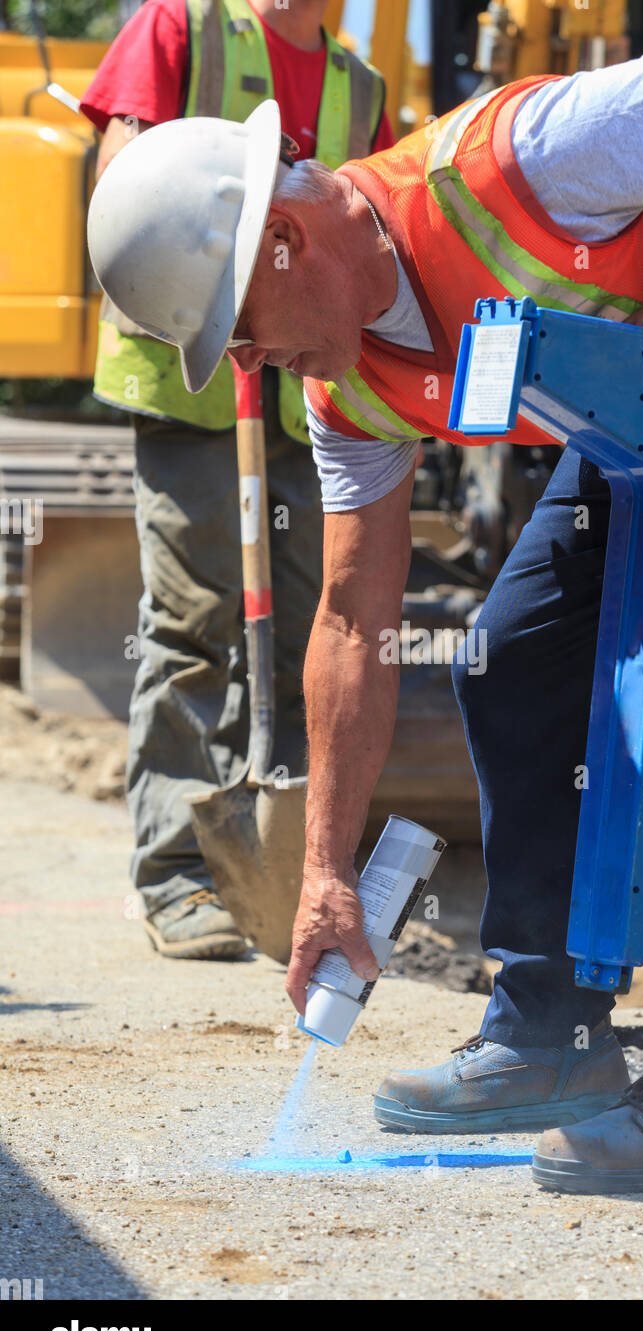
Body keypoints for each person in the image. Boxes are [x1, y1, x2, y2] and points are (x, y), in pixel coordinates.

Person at [87, 41, 643, 1193]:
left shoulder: (525, 158)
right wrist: (326, 878)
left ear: (286, 242)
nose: (249, 363)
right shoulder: (340, 386)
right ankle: (548, 1030)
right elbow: (352, 620)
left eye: (241, 330)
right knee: (512, 661)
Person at [80, 0, 393, 958]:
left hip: (309, 393)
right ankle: (175, 875)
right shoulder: (180, 28)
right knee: (193, 618)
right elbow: (124, 187)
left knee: (310, 627)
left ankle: (288, 877)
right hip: (191, 385)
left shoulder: (363, 85)